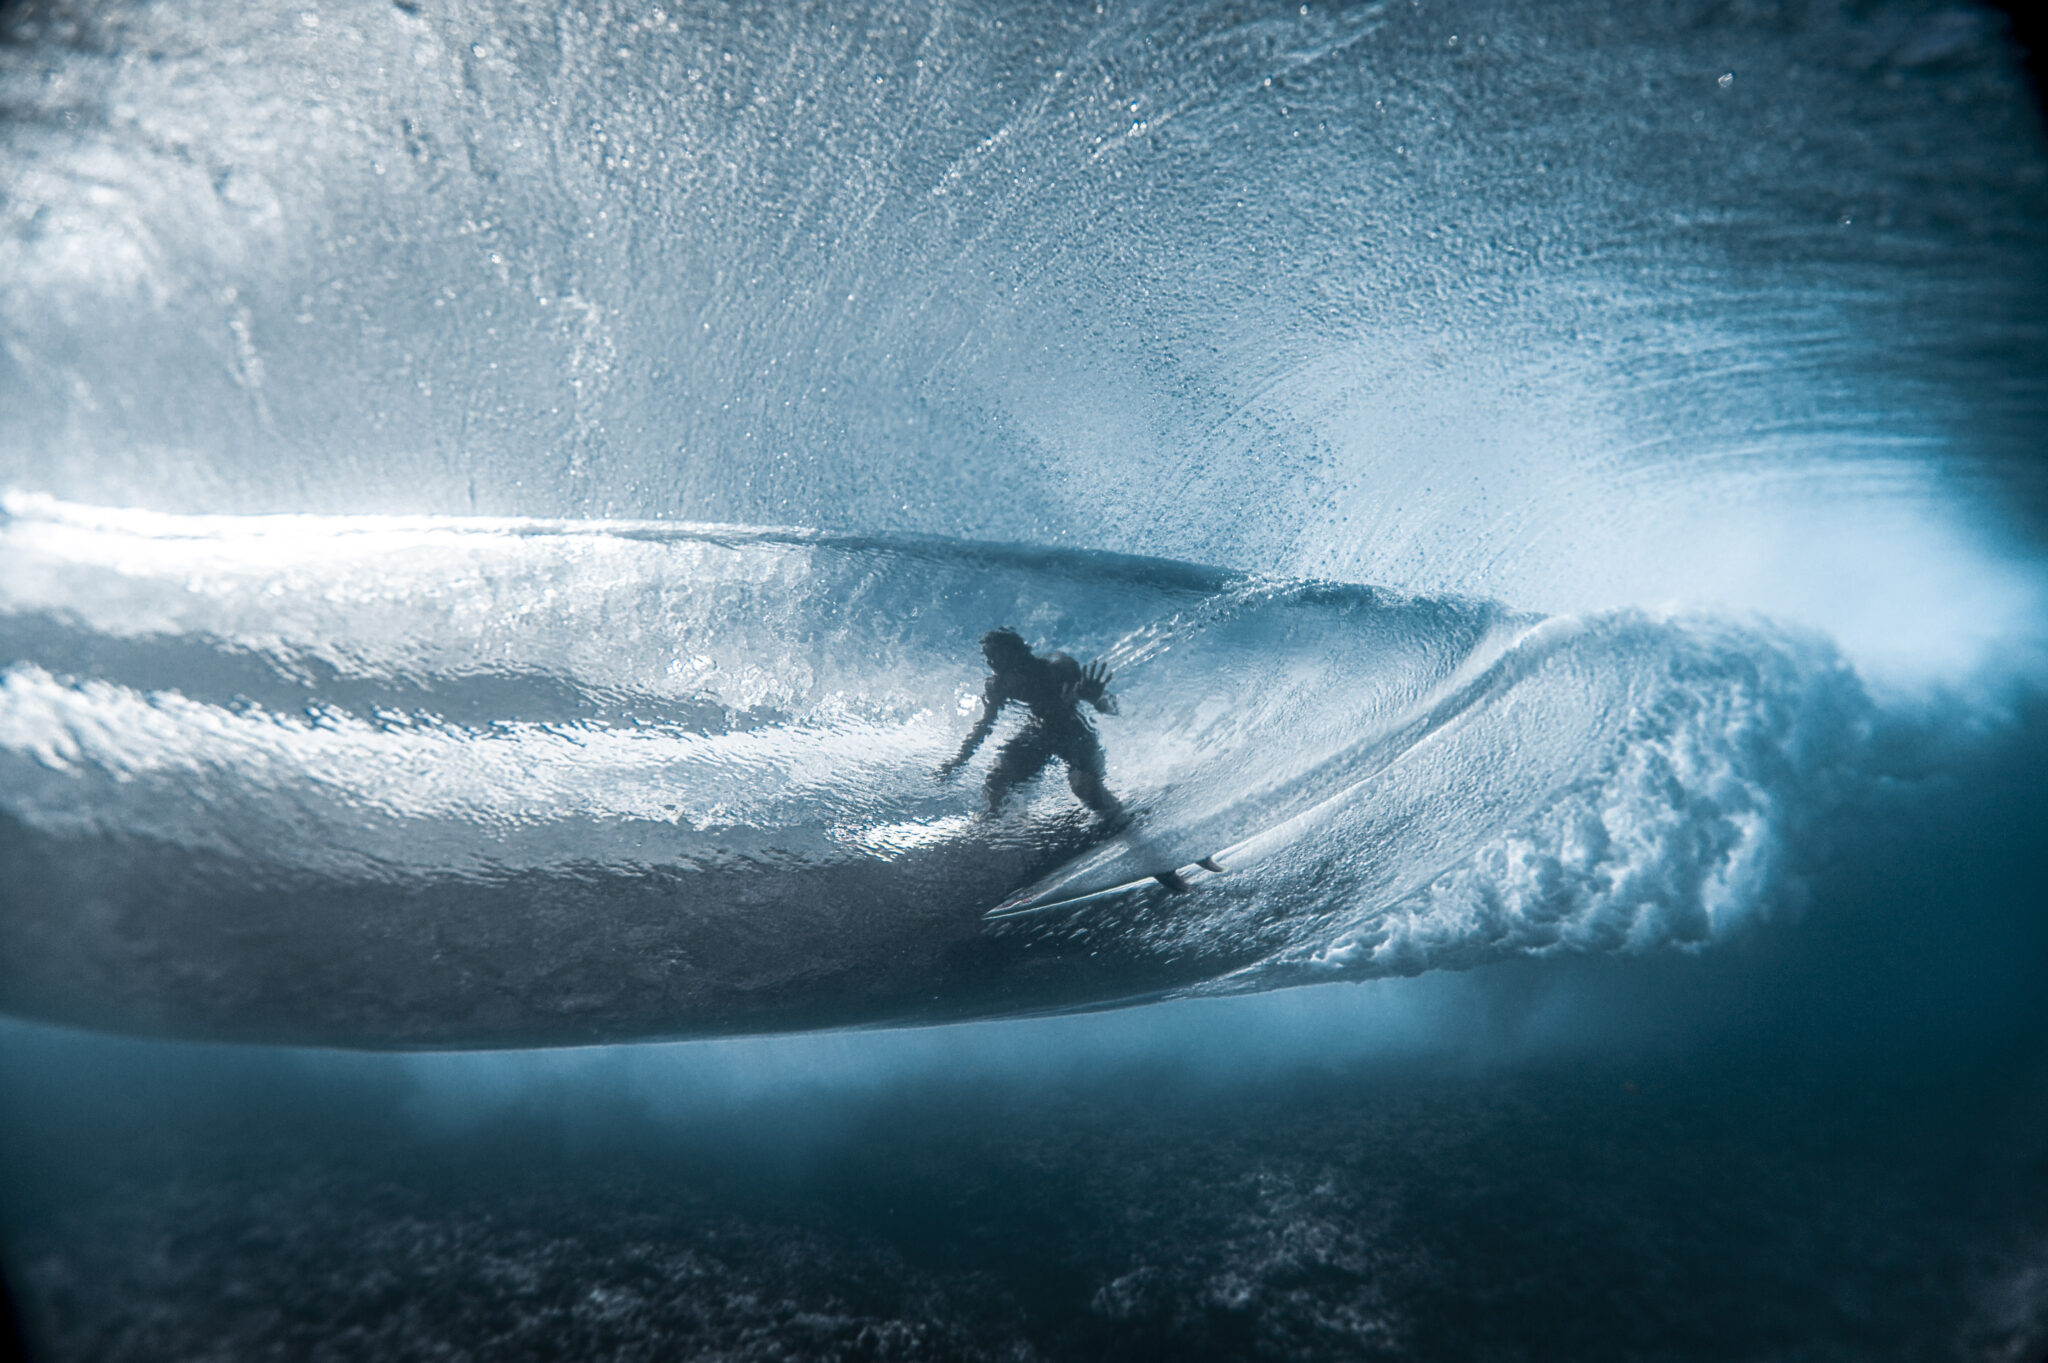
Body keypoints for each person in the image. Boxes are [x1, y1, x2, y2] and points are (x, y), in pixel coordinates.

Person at [939, 628, 1126, 824]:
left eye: (996, 655)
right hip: (1038, 733)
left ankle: (1118, 816)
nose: (991, 663)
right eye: (988, 657)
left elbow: (1112, 708)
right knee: (996, 781)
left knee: (1083, 787)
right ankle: (1002, 830)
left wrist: (1096, 697)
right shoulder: (998, 686)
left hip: (1074, 731)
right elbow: (984, 726)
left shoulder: (1056, 667)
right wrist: (958, 760)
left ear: (1017, 652)